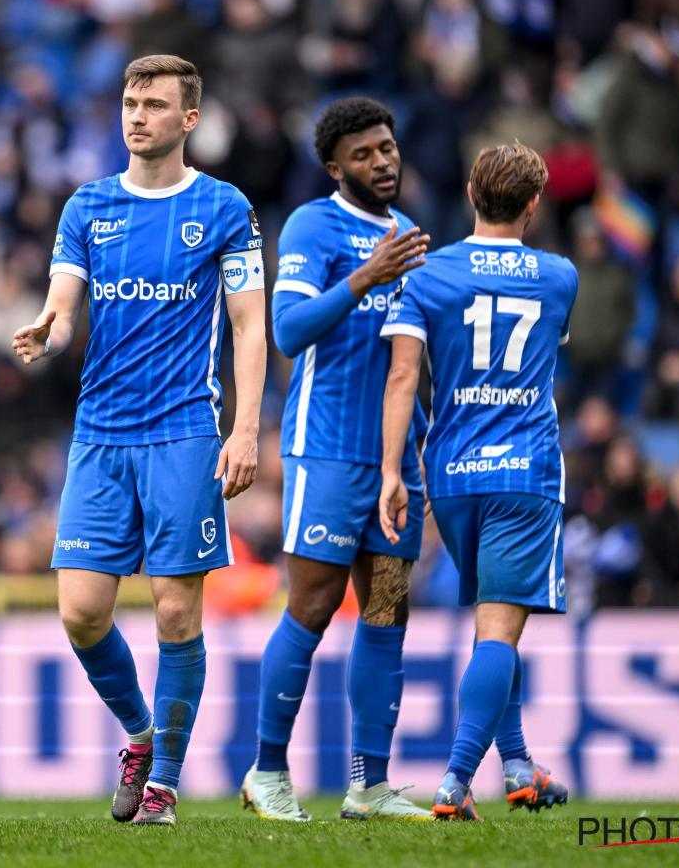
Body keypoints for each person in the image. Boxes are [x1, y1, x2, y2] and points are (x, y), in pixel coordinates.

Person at [11, 54, 266, 826]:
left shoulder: (223, 207)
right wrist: (48, 331)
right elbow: (63, 304)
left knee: (176, 616)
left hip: (185, 432)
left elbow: (251, 323)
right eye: (129, 101)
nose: (136, 115)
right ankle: (140, 736)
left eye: (154, 104)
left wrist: (246, 428)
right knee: (82, 612)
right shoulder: (88, 206)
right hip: (101, 435)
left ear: (189, 119)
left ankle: (165, 787)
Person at [240, 97, 430, 822]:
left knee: (386, 611)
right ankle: (266, 773)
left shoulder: (411, 236)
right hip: (325, 452)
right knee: (314, 606)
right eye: (363, 154)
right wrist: (363, 278)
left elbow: (413, 357)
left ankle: (368, 784)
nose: (382, 162)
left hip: (393, 462)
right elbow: (288, 330)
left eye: (387, 147)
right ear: (334, 166)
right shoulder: (313, 226)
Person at [378, 142, 577, 820]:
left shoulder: (427, 275)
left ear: (468, 192)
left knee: (494, 627)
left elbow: (404, 376)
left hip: (452, 472)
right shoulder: (558, 276)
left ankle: (518, 766)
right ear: (532, 206)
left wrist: (389, 472)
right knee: (499, 630)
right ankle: (455, 782)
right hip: (524, 471)